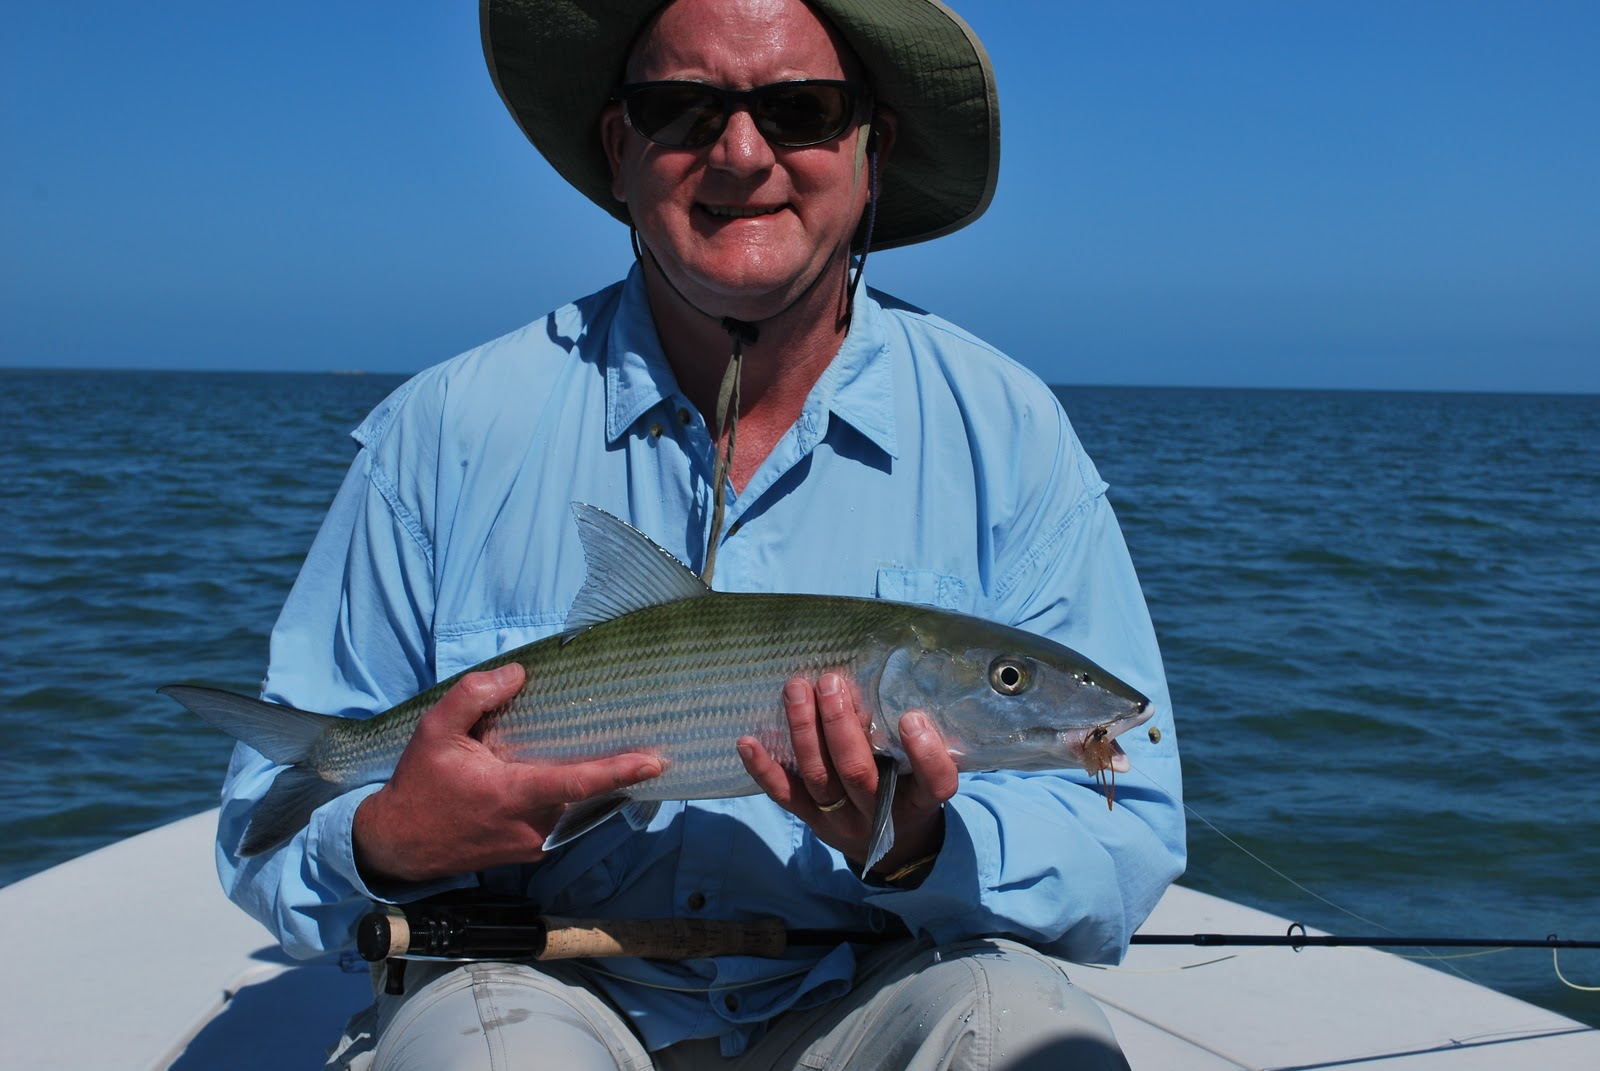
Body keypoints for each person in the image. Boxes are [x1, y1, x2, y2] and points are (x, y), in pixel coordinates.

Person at [217, 1, 1185, 1067]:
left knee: (1024, 1038)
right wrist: (388, 842)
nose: (738, 152)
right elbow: (262, 837)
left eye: (801, 109)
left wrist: (919, 850)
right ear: (620, 149)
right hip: (534, 983)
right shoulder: (444, 432)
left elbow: (1125, 833)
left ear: (873, 151)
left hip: (874, 986)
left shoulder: (1007, 432)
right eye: (681, 108)